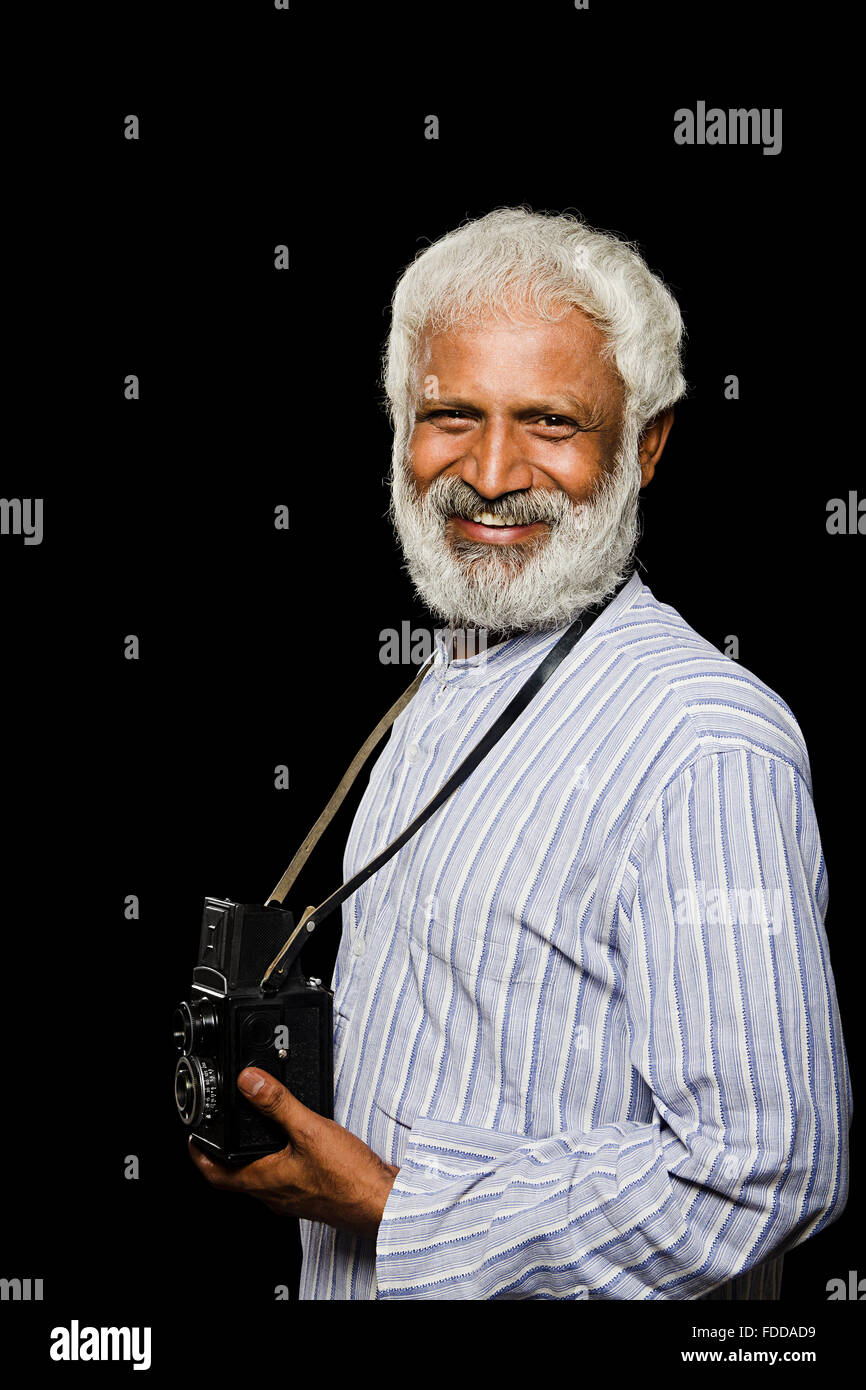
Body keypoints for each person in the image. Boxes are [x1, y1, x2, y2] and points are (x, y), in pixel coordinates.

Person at [190, 207, 851, 1300]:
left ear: (645, 444)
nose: (490, 472)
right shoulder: (449, 672)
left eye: (550, 422)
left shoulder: (704, 743)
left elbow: (764, 1171)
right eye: (450, 413)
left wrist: (399, 1208)